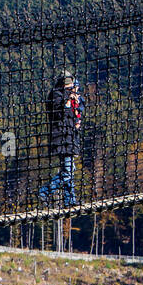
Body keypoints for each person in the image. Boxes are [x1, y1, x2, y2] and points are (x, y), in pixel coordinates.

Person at [39, 69, 82, 207]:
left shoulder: (68, 97)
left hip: (68, 138)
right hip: (61, 139)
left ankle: (70, 200)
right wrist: (69, 101)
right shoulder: (56, 95)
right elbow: (58, 114)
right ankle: (45, 191)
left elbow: (73, 114)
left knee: (69, 170)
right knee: (68, 171)